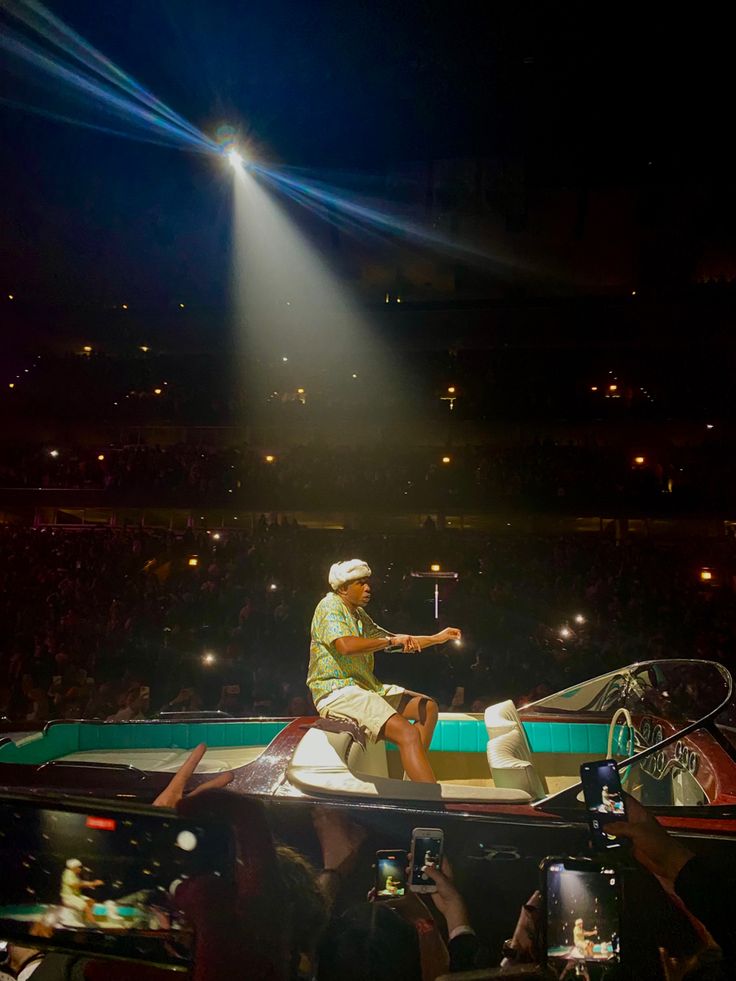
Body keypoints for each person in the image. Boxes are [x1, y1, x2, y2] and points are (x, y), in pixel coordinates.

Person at [307, 560, 461, 783]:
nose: (368, 588)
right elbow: (346, 646)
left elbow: (395, 641)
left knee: (427, 708)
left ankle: (413, 785)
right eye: (361, 583)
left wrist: (438, 638)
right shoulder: (329, 606)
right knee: (407, 734)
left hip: (365, 688)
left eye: (367, 583)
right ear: (343, 588)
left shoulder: (358, 614)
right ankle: (431, 803)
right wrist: (389, 641)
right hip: (337, 691)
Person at [60, 859, 103, 925]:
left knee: (91, 901)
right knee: (85, 906)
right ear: (74, 867)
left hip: (76, 896)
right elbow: (74, 885)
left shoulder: (75, 875)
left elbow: (80, 884)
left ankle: (83, 919)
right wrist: (92, 883)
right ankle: (93, 924)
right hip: (68, 897)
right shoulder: (68, 873)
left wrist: (92, 884)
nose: (80, 869)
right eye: (79, 867)